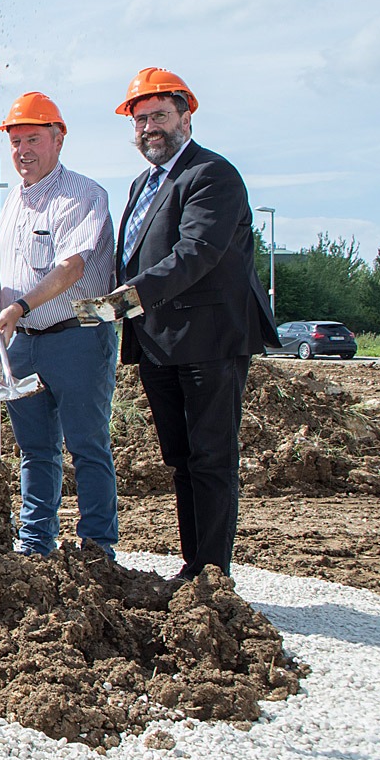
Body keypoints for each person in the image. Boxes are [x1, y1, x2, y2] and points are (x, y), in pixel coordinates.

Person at [108, 68, 278, 580]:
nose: (148, 127)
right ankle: (194, 565)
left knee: (211, 457)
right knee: (181, 458)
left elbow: (196, 252)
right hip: (159, 342)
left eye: (159, 115)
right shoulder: (144, 183)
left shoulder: (212, 175)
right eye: (140, 120)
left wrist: (128, 297)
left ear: (186, 116)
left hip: (209, 341)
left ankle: (212, 571)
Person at [0, 92, 119, 557]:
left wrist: (20, 307)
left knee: (87, 445)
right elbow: (18, 255)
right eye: (15, 142)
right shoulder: (14, 200)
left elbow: (69, 268)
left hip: (77, 339)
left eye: (33, 139)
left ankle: (96, 547)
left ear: (59, 138)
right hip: (25, 344)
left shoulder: (85, 195)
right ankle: (35, 544)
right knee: (35, 450)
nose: (23, 150)